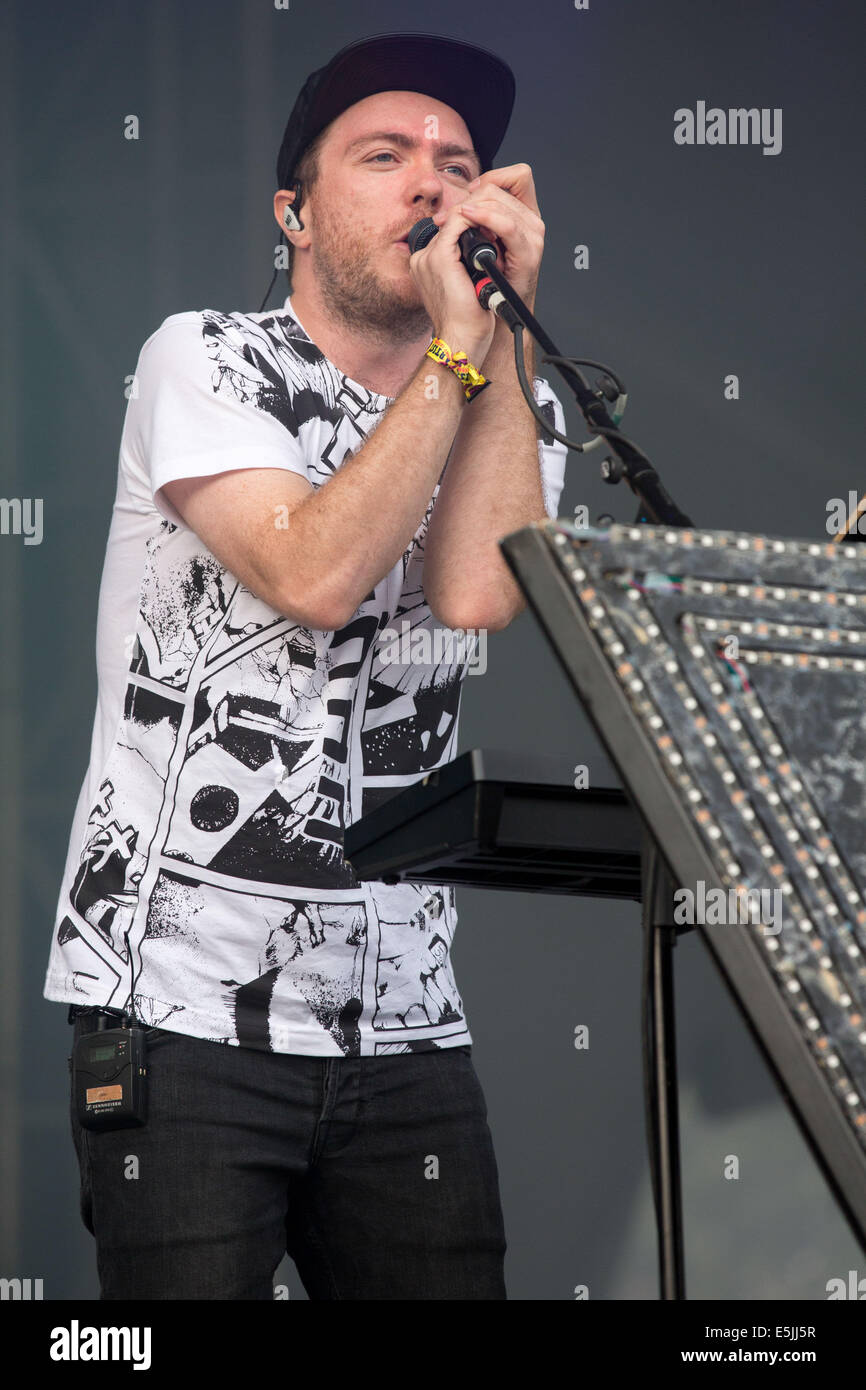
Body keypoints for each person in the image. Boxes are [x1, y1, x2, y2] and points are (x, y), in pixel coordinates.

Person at [45, 31, 567, 1299]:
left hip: (406, 1022)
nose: (432, 188)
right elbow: (315, 574)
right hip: (179, 1011)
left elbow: (478, 591)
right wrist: (453, 358)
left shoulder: (513, 394)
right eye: (384, 158)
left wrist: (494, 344)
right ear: (294, 211)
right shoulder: (208, 358)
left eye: (456, 164)